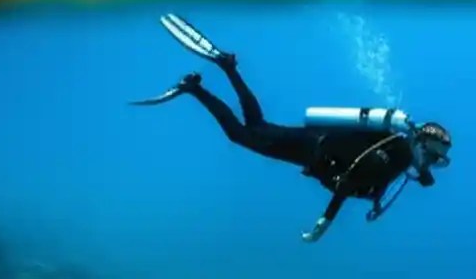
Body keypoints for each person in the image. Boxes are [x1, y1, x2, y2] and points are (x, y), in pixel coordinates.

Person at [132, 15, 452, 243]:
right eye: (435, 157)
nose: (433, 164)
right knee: (242, 134)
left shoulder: (398, 152)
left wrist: (424, 174)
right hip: (311, 150)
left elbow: (411, 176)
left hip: (314, 148)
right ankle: (202, 83)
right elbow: (349, 182)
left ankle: (217, 75)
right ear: (424, 146)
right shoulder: (391, 159)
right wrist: (325, 222)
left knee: (256, 126)